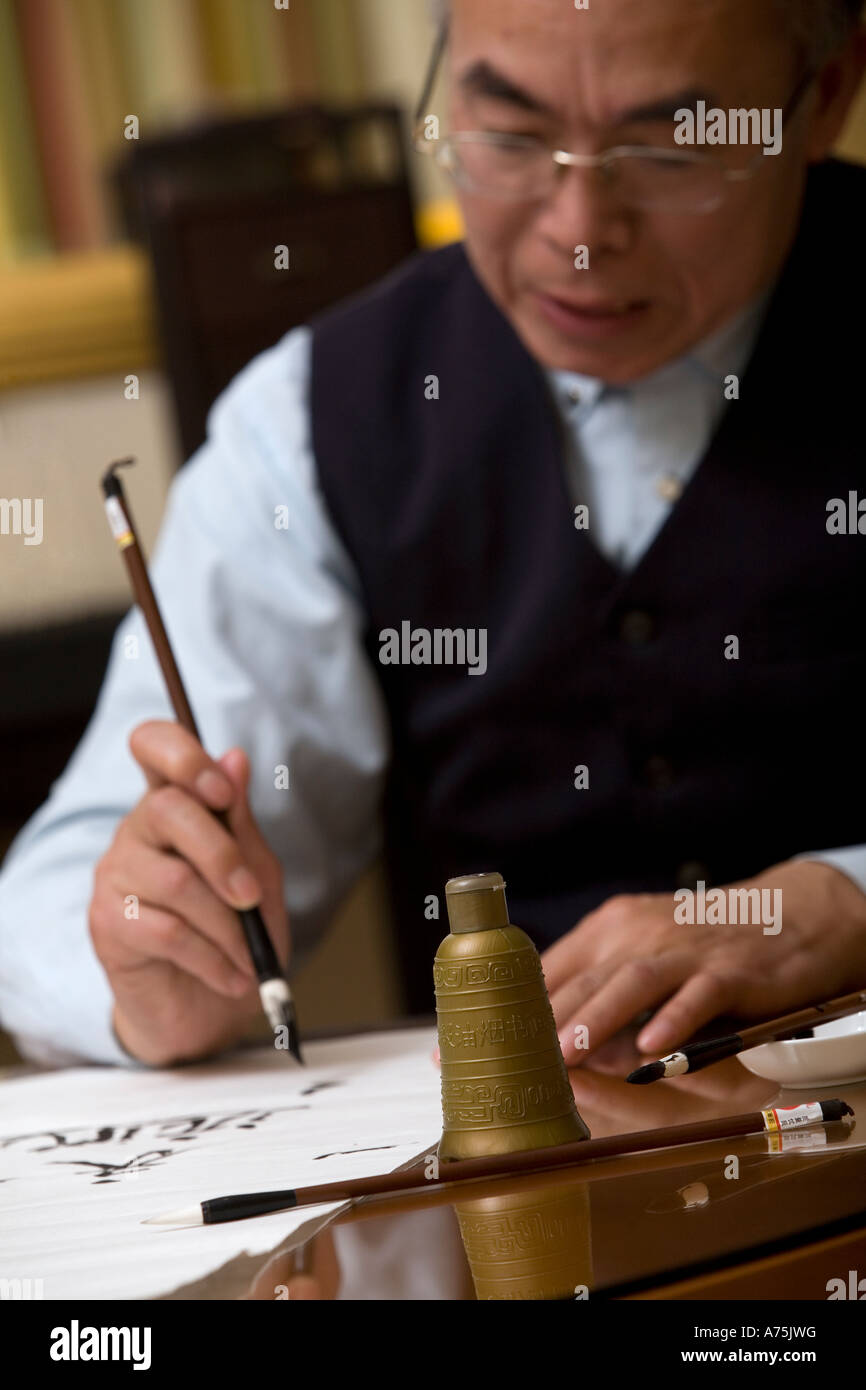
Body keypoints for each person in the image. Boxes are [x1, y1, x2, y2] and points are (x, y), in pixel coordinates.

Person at [1, 0, 865, 1069]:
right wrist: (145, 967)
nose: (578, 228)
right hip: (530, 1187)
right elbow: (61, 879)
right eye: (505, 136)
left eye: (666, 147)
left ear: (822, 98)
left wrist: (844, 899)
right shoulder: (319, 417)